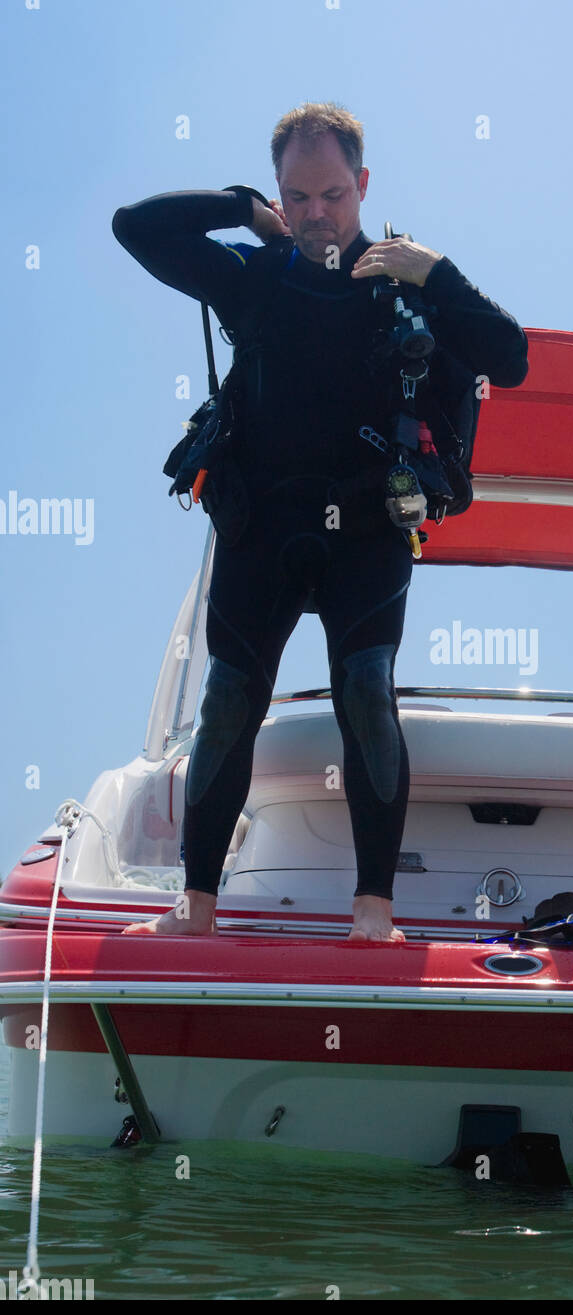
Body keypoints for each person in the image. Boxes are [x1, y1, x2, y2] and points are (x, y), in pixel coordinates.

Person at [112, 102, 529, 942]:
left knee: (367, 695)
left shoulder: (401, 282)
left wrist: (434, 270)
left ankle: (373, 913)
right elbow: (136, 229)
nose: (314, 214)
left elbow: (510, 358)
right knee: (227, 701)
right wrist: (238, 209)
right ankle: (195, 909)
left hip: (369, 533)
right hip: (260, 529)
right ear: (278, 195)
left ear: (362, 185)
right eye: (295, 197)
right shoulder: (255, 275)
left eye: (332, 194)